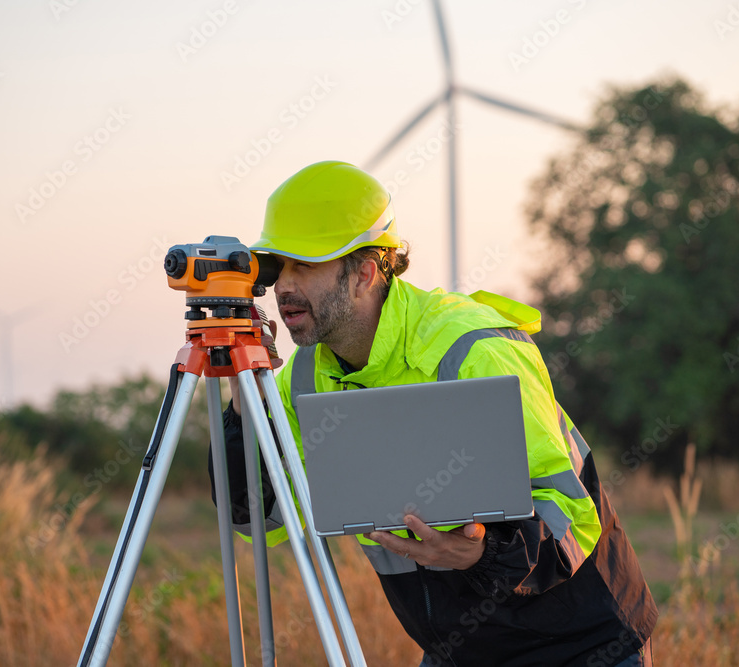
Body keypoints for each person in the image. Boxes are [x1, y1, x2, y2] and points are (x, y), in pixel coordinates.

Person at [210, 160, 658, 666]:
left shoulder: (474, 349)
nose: (282, 286)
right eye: (277, 265)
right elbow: (261, 514)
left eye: (304, 265)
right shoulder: (303, 377)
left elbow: (572, 516)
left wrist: (483, 553)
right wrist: (246, 395)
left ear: (364, 272)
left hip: (581, 646)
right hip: (458, 652)